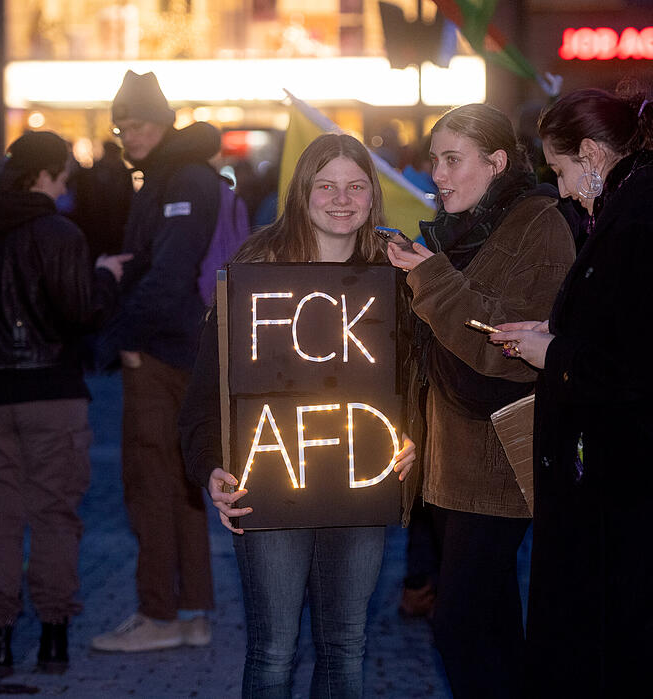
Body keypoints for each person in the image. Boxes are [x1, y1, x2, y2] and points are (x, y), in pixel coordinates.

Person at [489, 88, 653, 697]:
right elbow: (631, 329)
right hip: (647, 486)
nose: (559, 189)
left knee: (648, 658)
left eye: (559, 171)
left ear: (590, 153)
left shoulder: (643, 218)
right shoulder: (638, 210)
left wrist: (554, 352)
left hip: (649, 493)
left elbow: (643, 363)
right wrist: (554, 334)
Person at [178, 132, 416, 698]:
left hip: (362, 476)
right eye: (325, 185)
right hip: (271, 477)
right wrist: (209, 464)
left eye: (355, 186)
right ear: (301, 193)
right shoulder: (255, 269)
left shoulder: (396, 274)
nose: (341, 199)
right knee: (273, 649)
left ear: (372, 196)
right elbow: (208, 389)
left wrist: (416, 437)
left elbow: (416, 379)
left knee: (346, 646)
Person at [385, 103, 575, 698]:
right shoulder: (457, 230)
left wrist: (431, 278)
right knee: (491, 623)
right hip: (450, 460)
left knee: (459, 624)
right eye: (433, 160)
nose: (436, 175)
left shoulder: (539, 220)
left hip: (501, 464)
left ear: (496, 162)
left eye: (451, 160)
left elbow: (512, 346)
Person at [0, 131, 130, 674]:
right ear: (43, 175)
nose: (66, 185)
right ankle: (53, 637)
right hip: (51, 394)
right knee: (54, 514)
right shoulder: (60, 235)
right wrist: (105, 278)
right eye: (63, 175)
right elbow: (82, 313)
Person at [90, 70, 220, 653]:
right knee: (183, 486)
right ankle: (189, 613)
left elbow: (170, 275)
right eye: (120, 124)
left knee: (151, 485)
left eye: (137, 122)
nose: (127, 133)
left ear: (163, 121)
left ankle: (158, 615)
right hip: (183, 347)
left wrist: (124, 337)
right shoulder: (175, 175)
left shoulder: (181, 178)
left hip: (163, 350)